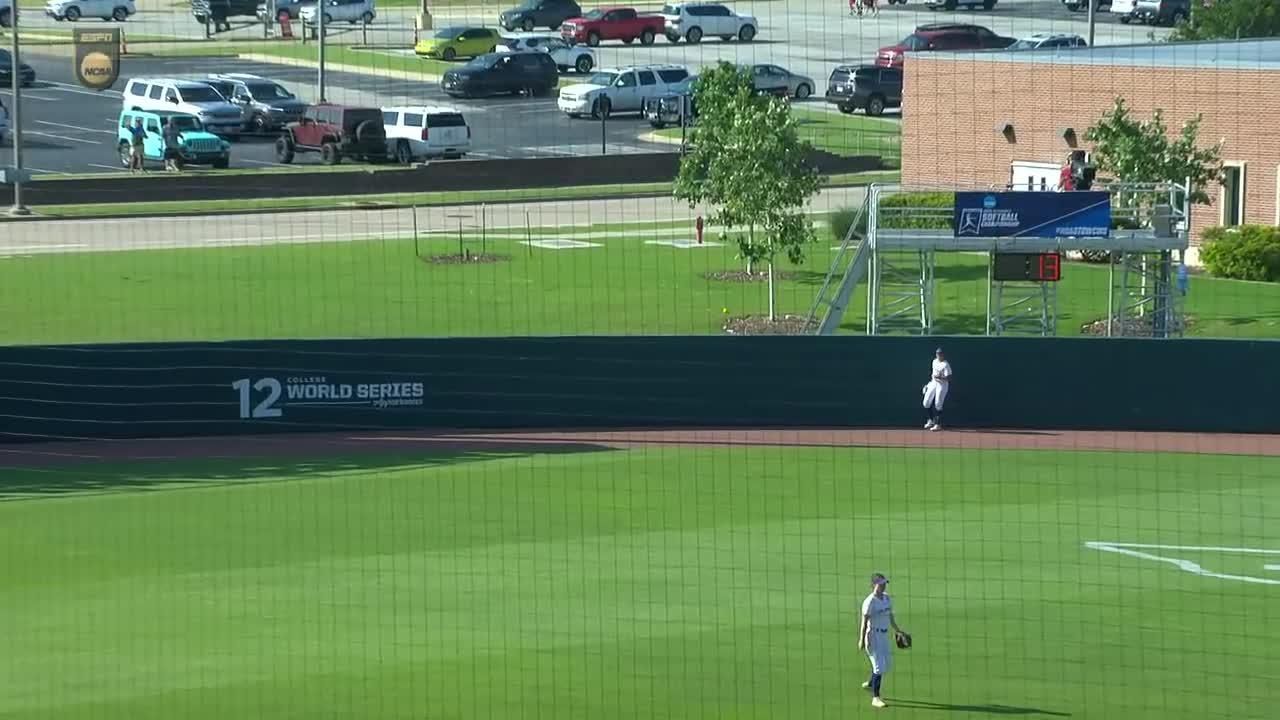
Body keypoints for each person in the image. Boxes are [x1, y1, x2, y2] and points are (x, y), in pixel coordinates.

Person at [859, 573, 907, 709]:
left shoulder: (886, 598)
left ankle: (870, 683)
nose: (884, 585)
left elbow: (890, 616)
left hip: (884, 636)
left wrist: (898, 630)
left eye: (885, 582)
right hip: (873, 635)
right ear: (874, 585)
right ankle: (876, 697)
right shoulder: (869, 602)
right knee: (879, 667)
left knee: (886, 665)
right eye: (881, 583)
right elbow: (864, 622)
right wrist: (861, 640)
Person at [922, 347, 952, 431]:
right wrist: (928, 385)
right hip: (934, 383)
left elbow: (949, 378)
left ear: (943, 355)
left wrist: (940, 377)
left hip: (942, 385)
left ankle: (938, 424)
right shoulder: (934, 361)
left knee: (938, 404)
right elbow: (933, 375)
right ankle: (930, 420)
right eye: (937, 353)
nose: (939, 355)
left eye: (940, 354)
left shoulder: (946, 364)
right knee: (926, 403)